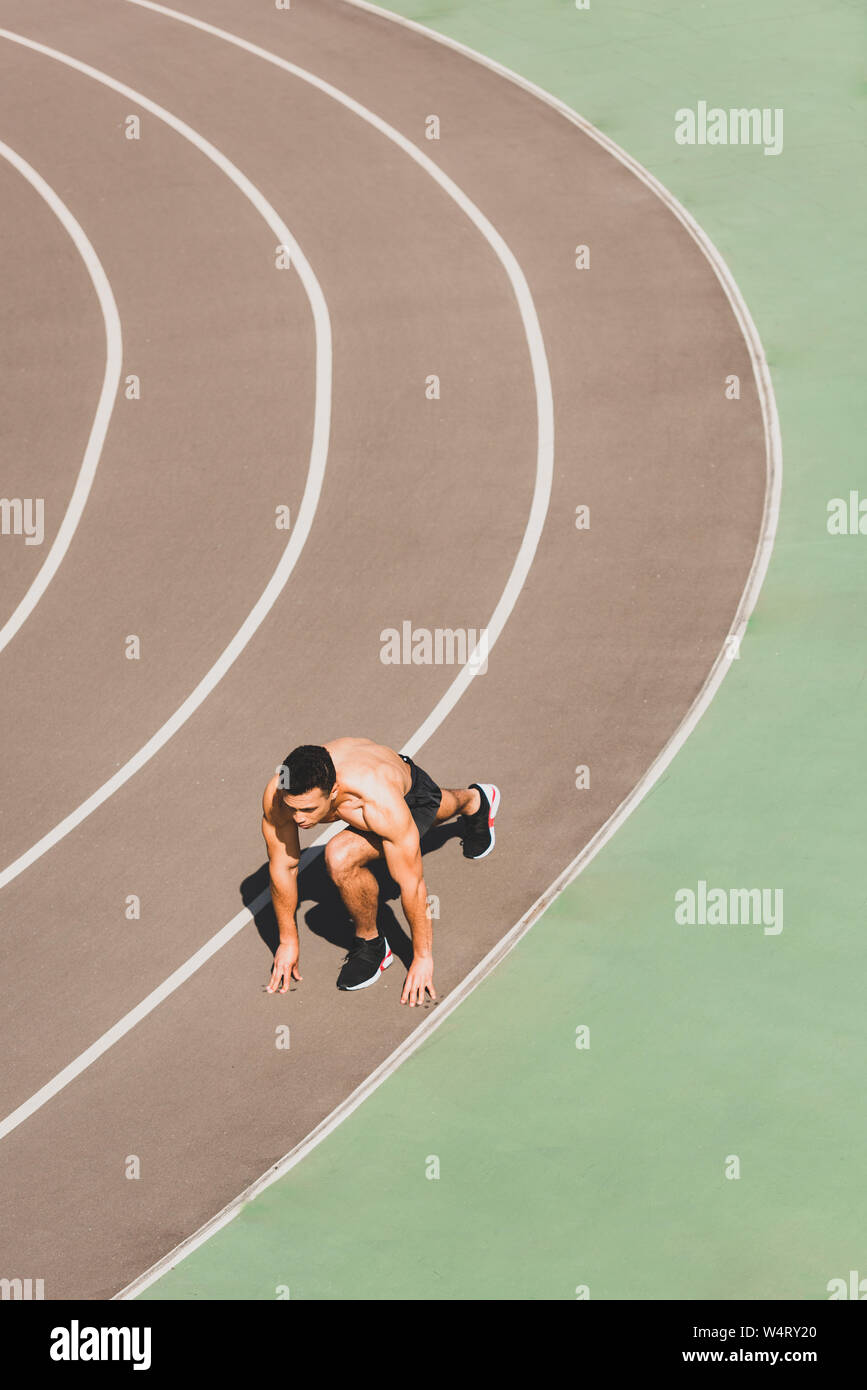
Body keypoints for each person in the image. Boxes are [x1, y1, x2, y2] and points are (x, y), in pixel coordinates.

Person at [261, 737, 499, 1006]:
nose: (298, 818)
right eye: (293, 808)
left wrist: (421, 958)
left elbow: (412, 884)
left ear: (334, 791)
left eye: (308, 809)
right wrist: (287, 940)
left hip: (406, 794)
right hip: (369, 784)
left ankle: (475, 801)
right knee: (350, 847)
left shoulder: (378, 801)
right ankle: (372, 943)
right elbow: (284, 865)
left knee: (342, 855)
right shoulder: (279, 795)